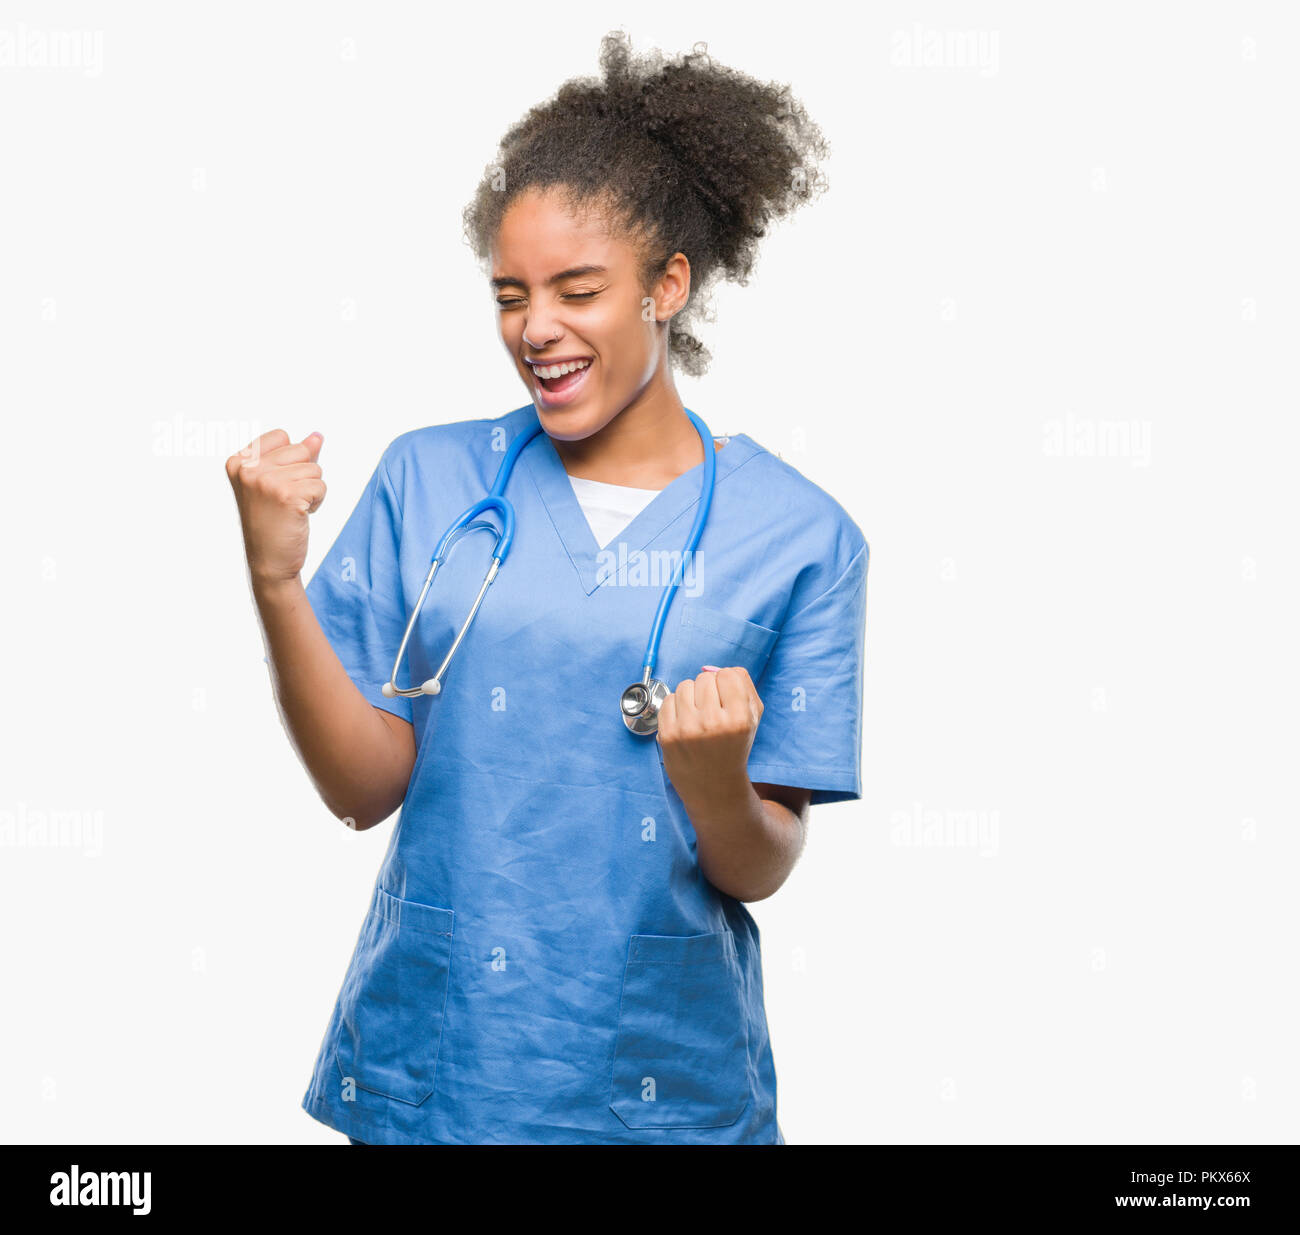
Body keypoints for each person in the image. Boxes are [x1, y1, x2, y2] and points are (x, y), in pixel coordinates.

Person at [226, 31, 868, 1146]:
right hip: (443, 1060)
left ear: (669, 284)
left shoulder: (801, 536)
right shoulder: (429, 477)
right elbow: (360, 787)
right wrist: (277, 579)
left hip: (658, 1074)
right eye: (510, 294)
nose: (536, 329)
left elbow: (758, 866)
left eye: (580, 290)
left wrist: (716, 783)